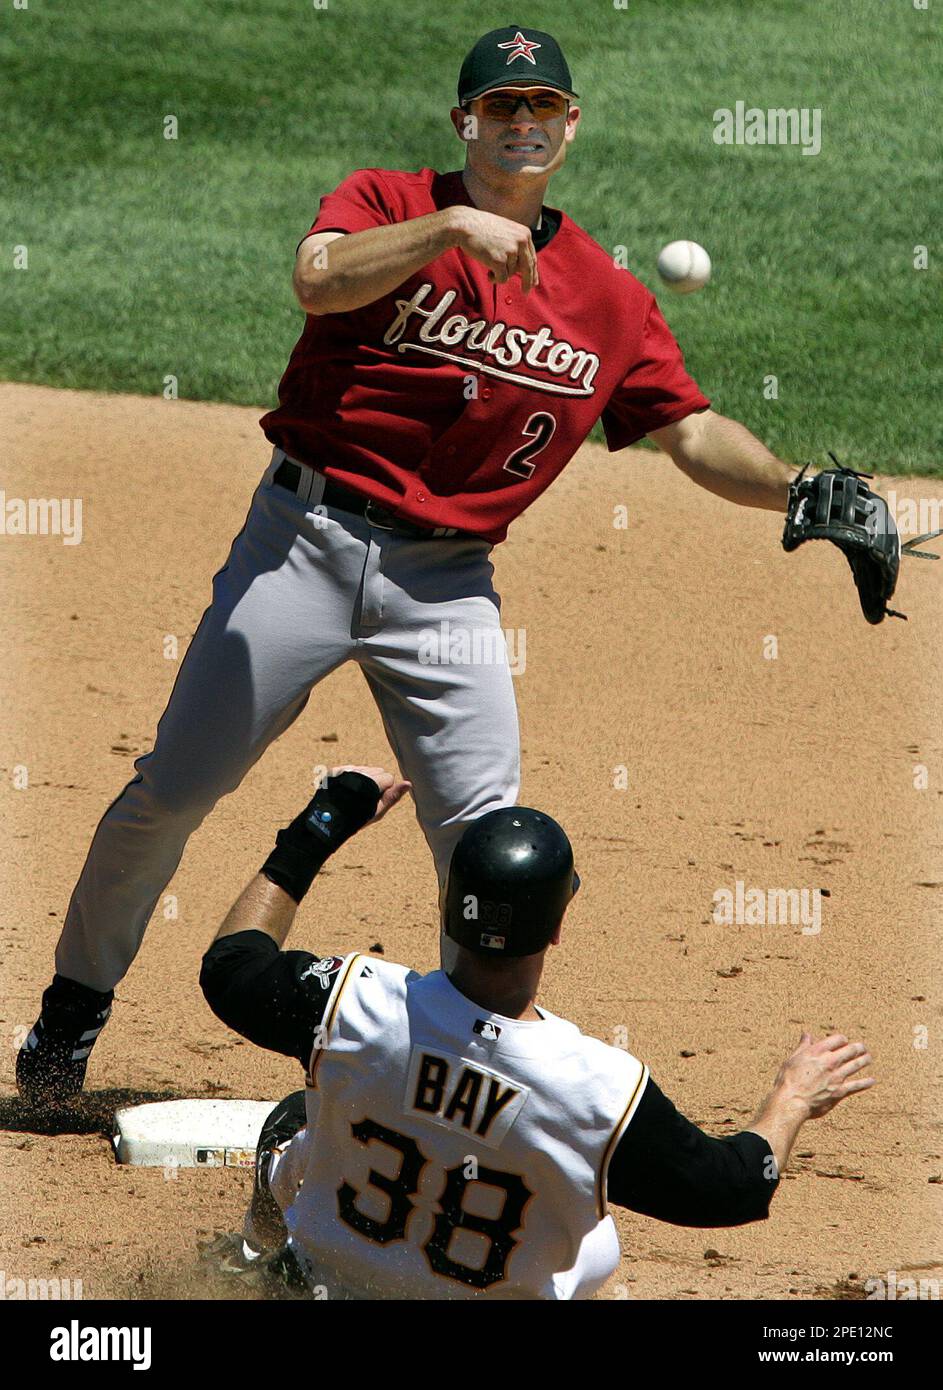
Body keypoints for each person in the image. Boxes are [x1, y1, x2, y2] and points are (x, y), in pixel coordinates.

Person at [19, 25, 797, 1104]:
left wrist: (798, 492)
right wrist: (449, 228)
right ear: (464, 124)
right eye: (499, 108)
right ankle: (66, 1023)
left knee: (491, 848)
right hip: (301, 545)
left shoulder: (608, 301)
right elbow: (317, 278)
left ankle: (470, 1082)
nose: (521, 125)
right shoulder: (387, 201)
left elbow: (691, 430)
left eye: (542, 109)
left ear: (570, 126)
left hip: (447, 588)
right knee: (173, 791)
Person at [198, 767, 875, 1300]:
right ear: (555, 928)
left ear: (445, 904)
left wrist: (324, 822)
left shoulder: (354, 1005)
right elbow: (735, 1187)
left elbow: (231, 968)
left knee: (292, 1120)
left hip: (329, 1290)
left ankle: (262, 1259)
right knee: (596, 1236)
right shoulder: (596, 1089)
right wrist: (791, 1097)